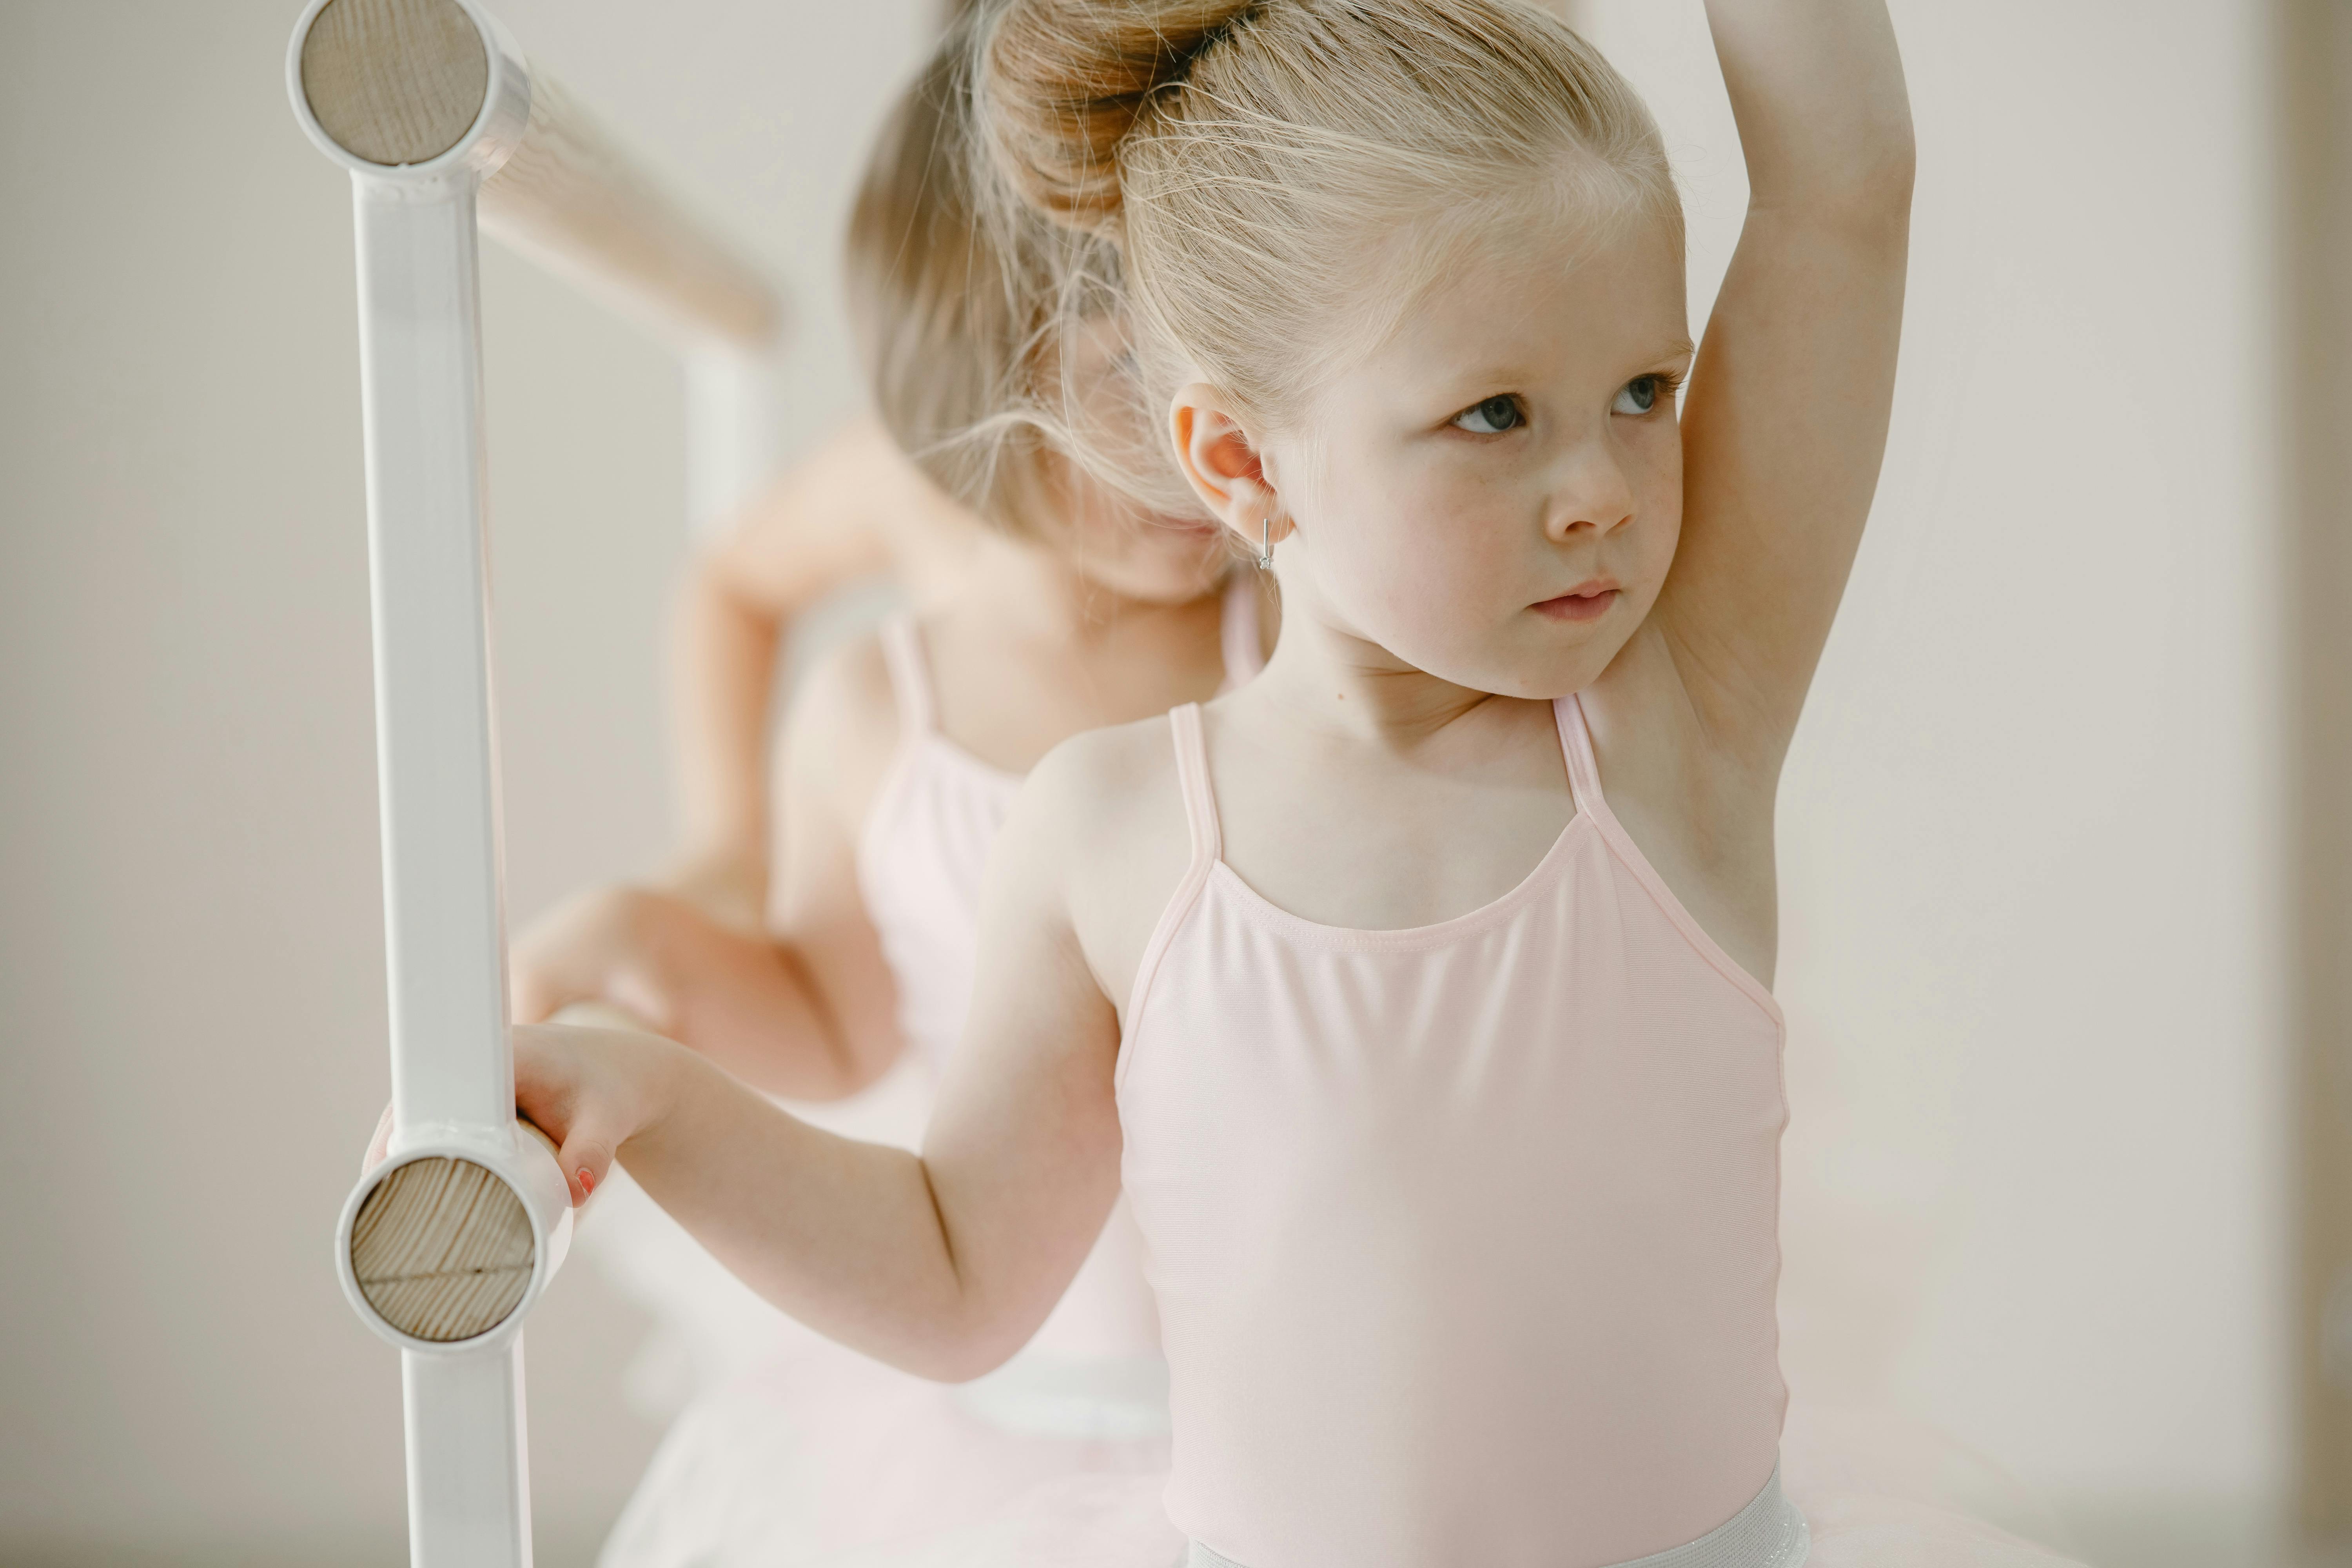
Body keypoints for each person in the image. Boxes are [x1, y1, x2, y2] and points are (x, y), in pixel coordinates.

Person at [496, 0, 2090, 1561]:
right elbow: (954, 1270)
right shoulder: (1112, 830)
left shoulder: (1681, 715)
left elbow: (1841, 193)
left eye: (1644, 394)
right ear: (1240, 461)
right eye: (1494, 415)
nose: (1602, 489)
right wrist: (652, 1100)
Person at [504, 16, 1273, 1564]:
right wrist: (682, 919)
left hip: (1289, 1388)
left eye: (1244, 363)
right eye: (1129, 392)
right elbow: (840, 1018)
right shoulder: (888, 698)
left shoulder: (1283, 620)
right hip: (1021, 1398)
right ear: (990, 387)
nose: (1202, 448)